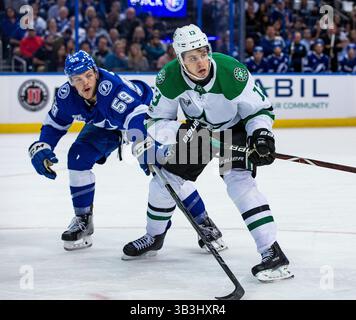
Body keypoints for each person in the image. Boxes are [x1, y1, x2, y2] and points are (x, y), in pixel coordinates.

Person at [123, 24, 294, 282]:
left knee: (240, 183)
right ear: (180, 59)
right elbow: (156, 121)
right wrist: (179, 133)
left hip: (234, 129)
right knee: (164, 181)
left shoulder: (231, 71)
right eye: (192, 57)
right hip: (197, 130)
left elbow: (258, 110)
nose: (201, 61)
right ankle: (154, 236)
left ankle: (272, 252)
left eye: (203, 53)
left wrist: (260, 135)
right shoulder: (168, 78)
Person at [28, 50, 224, 252]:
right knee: (78, 157)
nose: (85, 83)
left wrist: (143, 142)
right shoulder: (66, 96)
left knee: (167, 171)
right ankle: (83, 220)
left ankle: (204, 222)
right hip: (109, 124)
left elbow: (136, 116)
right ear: (70, 82)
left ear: (95, 72)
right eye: (78, 79)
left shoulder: (111, 89)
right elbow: (54, 123)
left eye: (88, 75)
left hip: (146, 116)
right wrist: (43, 145)